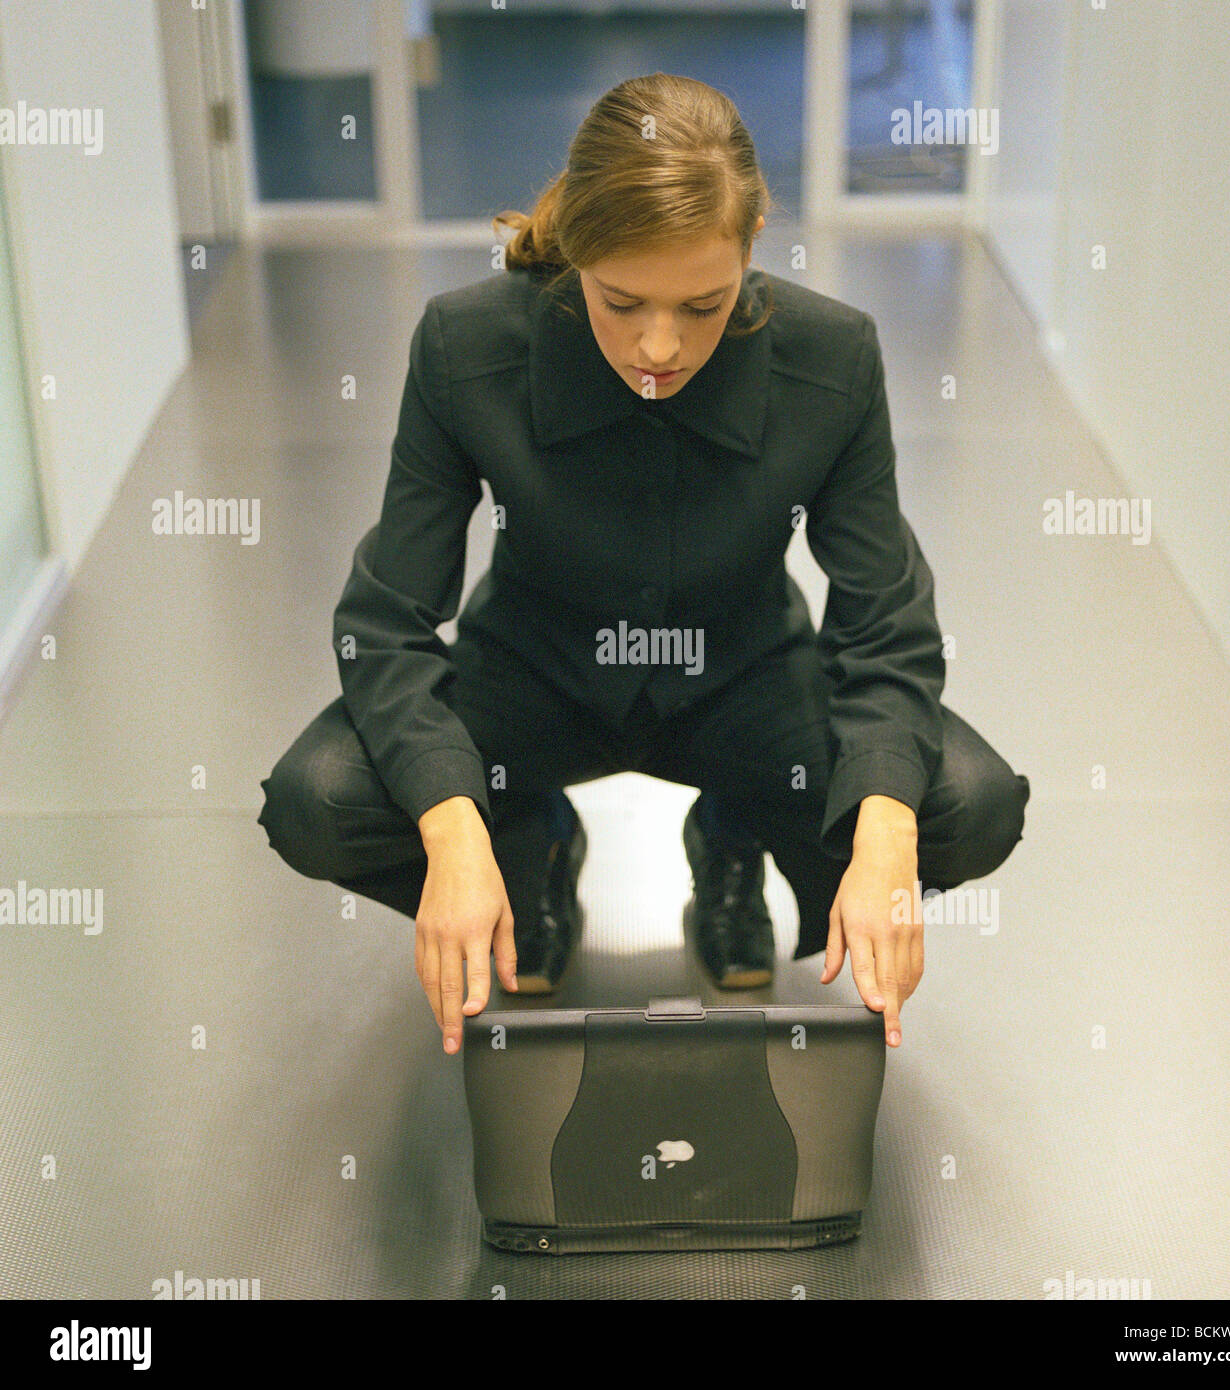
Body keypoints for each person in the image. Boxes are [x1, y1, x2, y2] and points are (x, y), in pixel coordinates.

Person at [257, 72, 1029, 1060]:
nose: (659, 346)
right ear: (577, 250)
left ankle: (733, 834)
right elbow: (386, 619)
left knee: (966, 804)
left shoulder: (834, 357)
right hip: (530, 677)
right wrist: (454, 828)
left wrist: (885, 831)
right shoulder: (464, 345)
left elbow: (885, 621)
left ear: (750, 248)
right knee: (319, 797)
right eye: (621, 302)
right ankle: (527, 843)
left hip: (750, 683)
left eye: (704, 305)